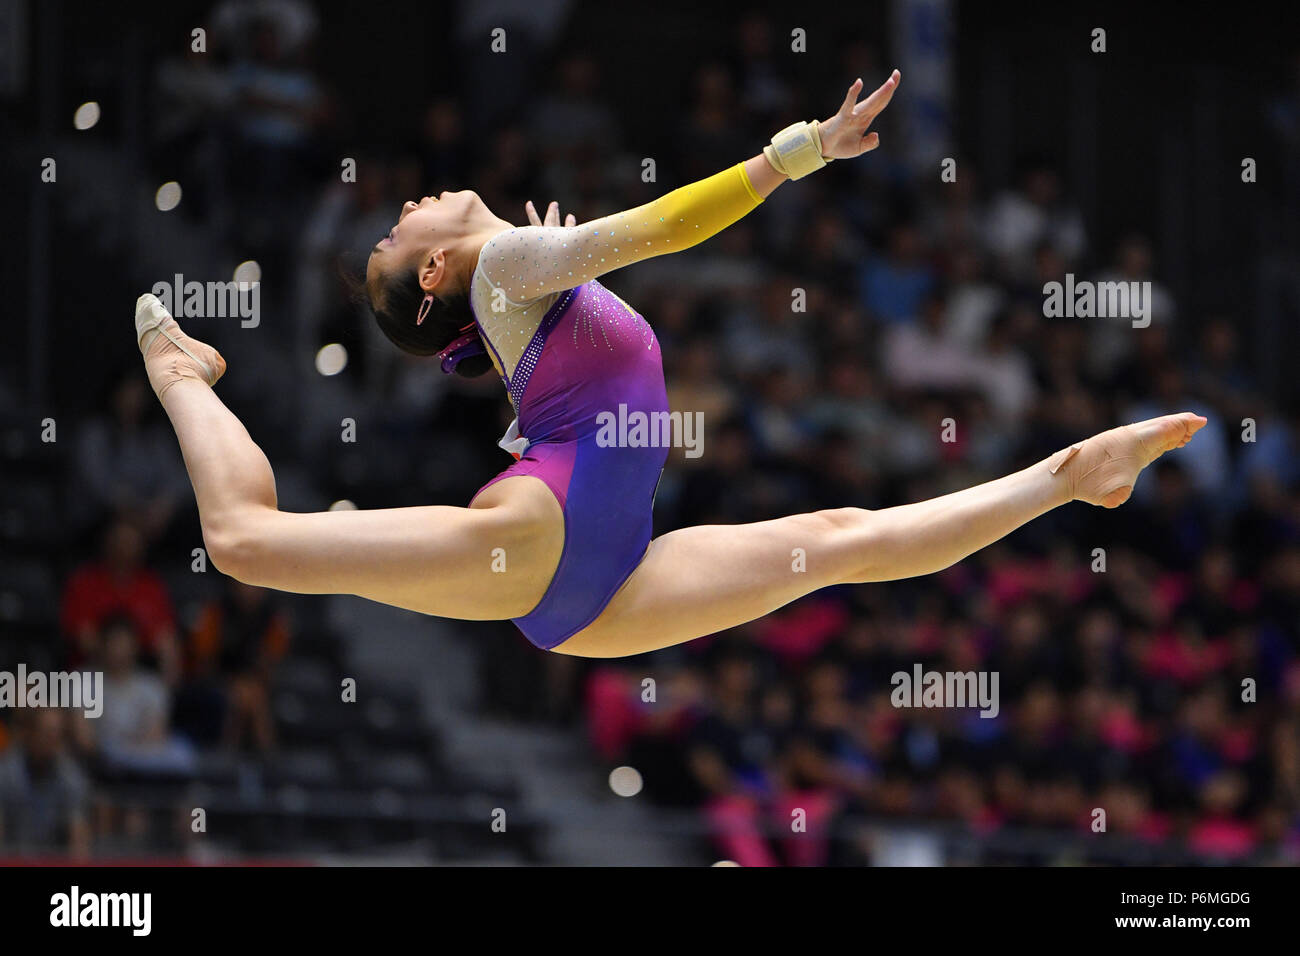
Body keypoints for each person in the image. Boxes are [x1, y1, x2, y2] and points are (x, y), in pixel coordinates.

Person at [131, 70, 1206, 659]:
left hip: (601, 590)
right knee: (242, 542)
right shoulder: (509, 267)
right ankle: (185, 372)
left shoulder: (520, 273)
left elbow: (558, 326)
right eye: (392, 236)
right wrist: (801, 150)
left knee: (842, 542)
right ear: (434, 275)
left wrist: (551, 263)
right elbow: (652, 228)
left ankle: (1075, 476)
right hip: (547, 539)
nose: (401, 209)